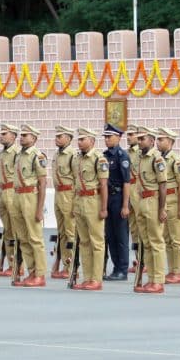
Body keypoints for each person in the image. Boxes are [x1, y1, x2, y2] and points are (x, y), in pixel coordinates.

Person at [71, 127, 110, 290]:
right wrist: (74, 204)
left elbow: (103, 185)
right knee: (84, 242)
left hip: (93, 200)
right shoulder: (77, 159)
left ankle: (96, 278)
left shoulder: (99, 159)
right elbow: (75, 182)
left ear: (92, 141)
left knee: (96, 241)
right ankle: (87, 277)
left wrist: (103, 208)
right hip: (80, 199)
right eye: (78, 139)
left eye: (83, 139)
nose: (79, 142)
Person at [132, 127, 166, 293]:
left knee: (156, 241)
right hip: (142, 200)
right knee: (146, 242)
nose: (139, 142)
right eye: (138, 139)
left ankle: (158, 280)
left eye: (142, 138)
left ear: (152, 141)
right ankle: (151, 278)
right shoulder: (140, 158)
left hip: (153, 200)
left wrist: (162, 209)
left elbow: (163, 185)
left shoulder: (157, 159)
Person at [14, 124, 49, 287]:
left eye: (25, 135)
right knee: (23, 237)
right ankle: (31, 271)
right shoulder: (19, 155)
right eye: (21, 135)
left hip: (30, 196)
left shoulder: (38, 156)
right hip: (18, 195)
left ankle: (40, 274)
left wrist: (40, 208)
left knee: (35, 237)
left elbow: (42, 183)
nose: (21, 137)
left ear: (34, 138)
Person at [156, 127, 180, 283]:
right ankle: (171, 269)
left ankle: (179, 269)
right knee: (166, 238)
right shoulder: (159, 159)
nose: (157, 142)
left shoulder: (177, 160)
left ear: (170, 141)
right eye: (157, 139)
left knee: (176, 239)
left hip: (175, 201)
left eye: (161, 139)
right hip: (163, 201)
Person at [103, 124, 132, 281]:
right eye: (105, 137)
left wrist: (125, 205)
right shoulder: (105, 156)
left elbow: (126, 182)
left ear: (119, 137)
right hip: (108, 198)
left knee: (121, 236)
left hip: (119, 197)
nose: (107, 139)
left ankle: (123, 269)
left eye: (110, 136)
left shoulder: (122, 156)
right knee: (111, 235)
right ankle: (115, 268)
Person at [51, 125, 78, 279]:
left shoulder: (72, 155)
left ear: (68, 138)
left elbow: (76, 178)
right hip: (58, 194)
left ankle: (72, 264)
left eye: (60, 136)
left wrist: (75, 202)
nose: (57, 139)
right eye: (56, 136)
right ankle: (64, 263)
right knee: (61, 232)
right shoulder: (56, 155)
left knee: (70, 232)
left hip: (69, 194)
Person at [0, 124, 21, 277]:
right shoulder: (2, 153)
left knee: (17, 229)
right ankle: (11, 262)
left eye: (5, 134)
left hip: (13, 191)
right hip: (3, 191)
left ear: (13, 136)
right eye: (1, 134)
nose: (1, 136)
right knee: (8, 231)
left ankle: (19, 264)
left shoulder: (17, 153)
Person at [126, 124, 142, 272]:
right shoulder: (126, 153)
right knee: (134, 228)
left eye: (132, 134)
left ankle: (146, 261)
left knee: (143, 227)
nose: (128, 137)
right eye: (128, 134)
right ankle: (138, 259)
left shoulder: (141, 153)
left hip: (138, 189)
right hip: (128, 191)